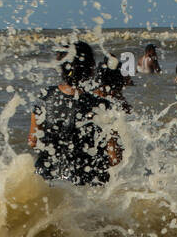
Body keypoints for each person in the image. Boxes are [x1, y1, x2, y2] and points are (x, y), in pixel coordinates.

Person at [27, 40, 121, 186]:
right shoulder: (101, 105)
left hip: (47, 179)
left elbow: (33, 142)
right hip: (85, 184)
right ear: (91, 69)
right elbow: (114, 158)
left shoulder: (44, 97)